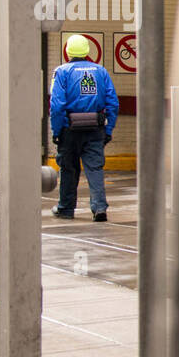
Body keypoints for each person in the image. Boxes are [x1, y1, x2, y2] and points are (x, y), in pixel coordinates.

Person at [49, 34, 118, 222]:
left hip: (69, 128)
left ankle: (66, 208)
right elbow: (113, 103)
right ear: (87, 51)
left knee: (68, 169)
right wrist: (108, 129)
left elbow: (56, 106)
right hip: (95, 128)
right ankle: (99, 207)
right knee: (95, 168)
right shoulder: (101, 72)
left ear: (68, 51)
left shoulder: (61, 72)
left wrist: (57, 131)